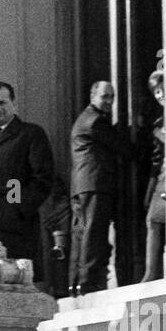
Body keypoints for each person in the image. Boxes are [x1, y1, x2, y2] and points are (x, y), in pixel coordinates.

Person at [0, 81, 55, 274]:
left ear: (13, 104)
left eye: (2, 103)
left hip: (15, 226)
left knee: (15, 278)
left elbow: (41, 178)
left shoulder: (30, 133)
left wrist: (14, 206)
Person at [69, 80, 130, 294]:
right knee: (93, 233)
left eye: (111, 97)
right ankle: (90, 283)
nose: (109, 102)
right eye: (104, 96)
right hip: (94, 184)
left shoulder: (86, 118)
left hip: (83, 185)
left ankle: (77, 282)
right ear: (92, 96)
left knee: (83, 233)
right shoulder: (95, 121)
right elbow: (122, 146)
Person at [141, 71, 166, 282]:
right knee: (152, 220)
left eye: (162, 89)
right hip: (163, 176)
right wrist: (150, 188)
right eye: (156, 92)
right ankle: (150, 273)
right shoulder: (158, 122)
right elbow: (156, 159)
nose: (159, 95)